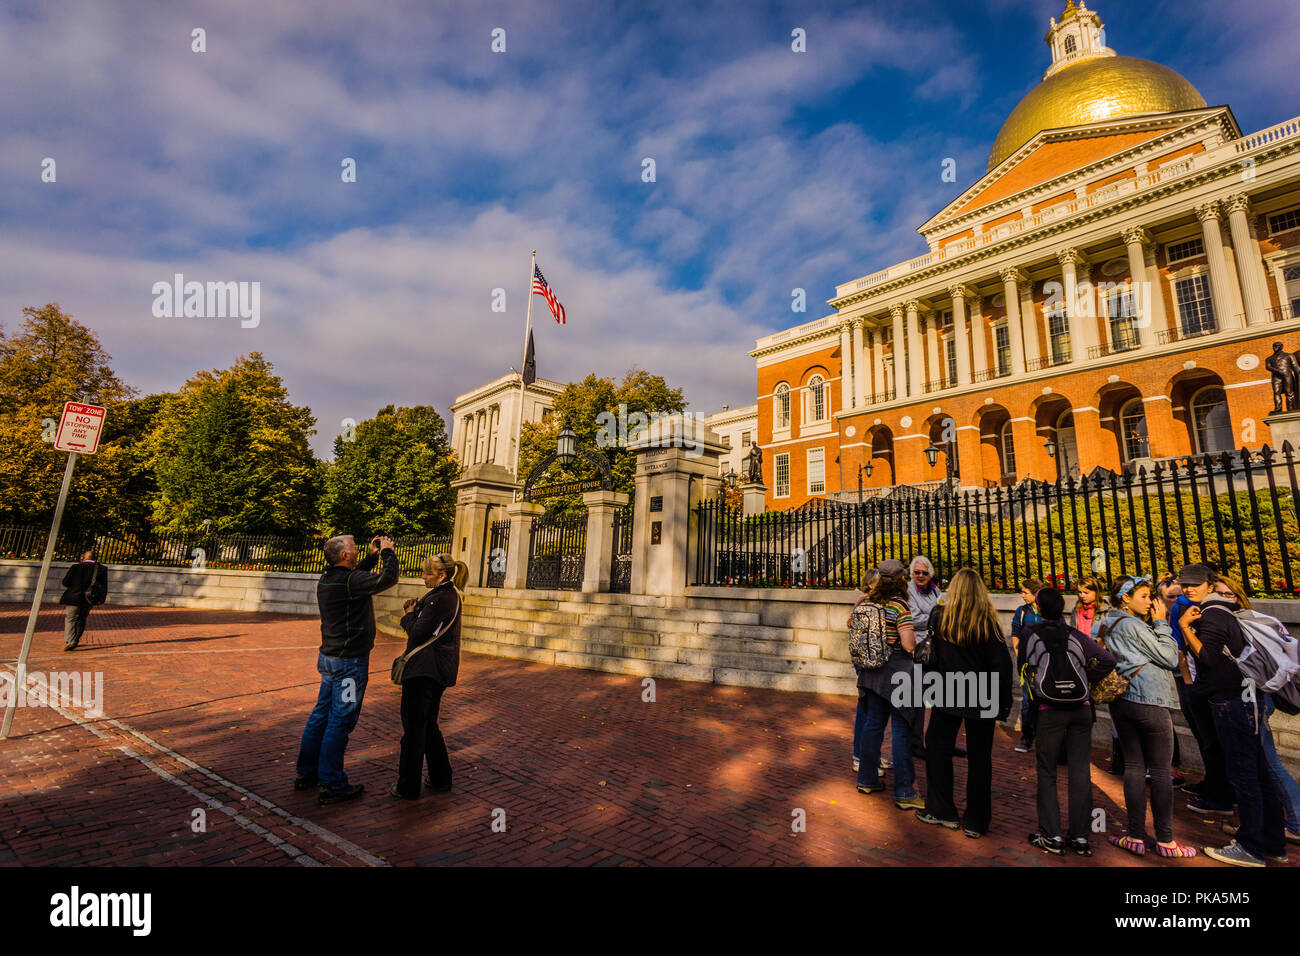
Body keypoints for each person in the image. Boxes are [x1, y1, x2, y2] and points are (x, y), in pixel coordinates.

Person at [1177, 564, 1287, 866]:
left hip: (1231, 704)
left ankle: (1250, 846)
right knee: (1259, 773)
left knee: (1245, 775)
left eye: (1194, 584)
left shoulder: (1211, 614)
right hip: (1244, 700)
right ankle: (1273, 842)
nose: (1188, 589)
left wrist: (1187, 628)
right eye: (1184, 584)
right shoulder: (1224, 611)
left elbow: (1209, 658)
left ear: (1210, 584)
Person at [295, 534, 399, 805]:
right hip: (350, 664)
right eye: (353, 549)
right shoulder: (350, 582)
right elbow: (387, 579)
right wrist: (387, 552)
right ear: (344, 555)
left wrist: (370, 556)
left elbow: (356, 576)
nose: (355, 552)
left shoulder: (329, 578)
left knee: (320, 714)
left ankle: (308, 773)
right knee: (341, 720)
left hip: (329, 659)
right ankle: (332, 782)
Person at [1100, 576, 1197, 859]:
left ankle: (1135, 836)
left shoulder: (1107, 622)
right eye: (1142, 596)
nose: (1149, 601)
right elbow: (1168, 657)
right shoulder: (1134, 625)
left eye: (1150, 596)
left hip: (1122, 700)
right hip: (1149, 701)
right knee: (1161, 771)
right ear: (1125, 598)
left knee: (1133, 766)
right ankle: (1166, 840)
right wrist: (1162, 623)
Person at [915, 569, 1012, 838]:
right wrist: (1002, 704)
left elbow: (931, 659)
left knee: (937, 748)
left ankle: (942, 809)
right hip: (982, 695)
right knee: (980, 759)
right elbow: (1002, 666)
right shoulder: (988, 624)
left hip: (948, 692)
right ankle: (976, 821)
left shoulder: (940, 617)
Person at [1022, 586, 1116, 856]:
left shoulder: (1031, 634)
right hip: (1081, 707)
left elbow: (1026, 669)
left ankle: (1050, 833)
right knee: (1079, 771)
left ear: (1038, 608)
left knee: (1047, 770)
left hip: (1049, 708)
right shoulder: (1074, 634)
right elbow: (1108, 659)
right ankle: (1080, 836)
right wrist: (1087, 678)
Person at [1210, 576, 1300, 850]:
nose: (1223, 598)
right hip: (1251, 697)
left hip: (1251, 698)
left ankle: (1295, 823)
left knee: (1266, 763)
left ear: (1237, 596)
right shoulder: (1239, 620)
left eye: (1228, 594)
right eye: (1218, 594)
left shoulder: (1242, 621)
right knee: (1258, 765)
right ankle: (1263, 827)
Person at [391, 554, 468, 800]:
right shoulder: (448, 594)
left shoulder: (440, 598)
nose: (422, 577)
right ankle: (440, 778)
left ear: (442, 575)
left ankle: (407, 786)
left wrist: (409, 614)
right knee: (429, 726)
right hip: (436, 669)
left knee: (414, 730)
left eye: (427, 573)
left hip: (425, 670)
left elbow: (417, 633)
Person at [854, 559, 924, 811]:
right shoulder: (899, 605)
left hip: (871, 672)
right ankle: (905, 791)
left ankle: (866, 779)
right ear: (900, 580)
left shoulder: (868, 602)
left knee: (873, 725)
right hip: (897, 672)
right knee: (901, 729)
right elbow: (907, 644)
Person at [849, 567, 887, 775]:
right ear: (871, 583)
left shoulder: (874, 602)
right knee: (867, 709)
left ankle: (872, 754)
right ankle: (860, 757)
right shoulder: (864, 602)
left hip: (872, 661)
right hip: (867, 662)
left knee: (875, 712)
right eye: (880, 582)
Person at [1010, 578, 1044, 753]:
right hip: (1027, 665)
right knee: (1027, 702)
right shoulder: (1022, 611)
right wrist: (1018, 653)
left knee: (1044, 702)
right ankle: (1026, 738)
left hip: (1044, 664)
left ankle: (1044, 739)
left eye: (1025, 592)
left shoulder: (1047, 611)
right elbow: (1015, 632)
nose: (1022, 595)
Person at [59, 546, 108, 651]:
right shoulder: (101, 569)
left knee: (71, 618)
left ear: (84, 558)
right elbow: (104, 586)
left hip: (74, 596)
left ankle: (70, 640)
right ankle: (76, 639)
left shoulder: (75, 567)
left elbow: (65, 582)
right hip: (89, 597)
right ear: (96, 558)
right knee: (82, 618)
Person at [908, 556, 942, 642]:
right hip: (919, 641)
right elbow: (914, 619)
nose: (921, 575)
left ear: (930, 575)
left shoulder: (935, 589)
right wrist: (938, 620)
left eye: (925, 573)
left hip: (937, 637)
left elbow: (942, 608)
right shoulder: (908, 591)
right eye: (917, 572)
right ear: (912, 574)